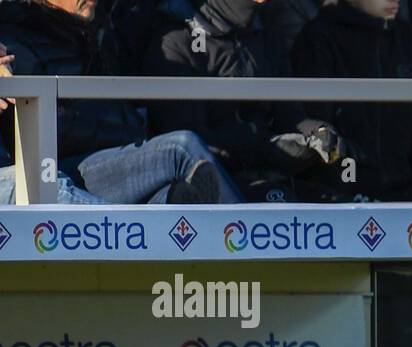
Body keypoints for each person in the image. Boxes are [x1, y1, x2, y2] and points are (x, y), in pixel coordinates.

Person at [0, 0, 243, 203]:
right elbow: (57, 132)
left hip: (111, 158)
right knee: (182, 148)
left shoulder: (98, 31)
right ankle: (256, 245)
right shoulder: (12, 43)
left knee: (171, 199)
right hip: (57, 172)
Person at [144, 0, 350, 203]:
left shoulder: (268, 35)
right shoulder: (175, 40)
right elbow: (189, 149)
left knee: (344, 209)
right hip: (214, 188)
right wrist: (267, 148)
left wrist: (319, 134)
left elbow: (291, 117)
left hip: (271, 177)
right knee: (280, 203)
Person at [292, 0, 412, 200]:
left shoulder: (406, 39)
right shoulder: (318, 38)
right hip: (340, 206)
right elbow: (319, 134)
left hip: (406, 200)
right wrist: (343, 196)